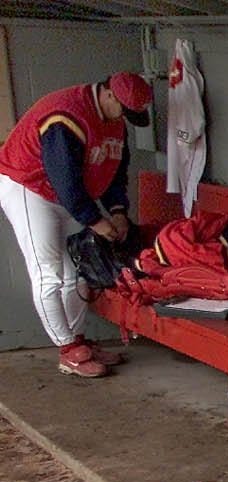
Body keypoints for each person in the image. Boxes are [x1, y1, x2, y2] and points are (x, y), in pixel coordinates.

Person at [0, 71, 154, 378]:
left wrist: (118, 211)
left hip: (66, 196)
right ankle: (67, 349)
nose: (123, 117)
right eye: (122, 109)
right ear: (109, 94)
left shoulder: (114, 122)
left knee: (78, 271)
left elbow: (113, 173)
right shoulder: (66, 115)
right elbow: (66, 180)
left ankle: (77, 341)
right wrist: (95, 220)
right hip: (27, 187)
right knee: (49, 274)